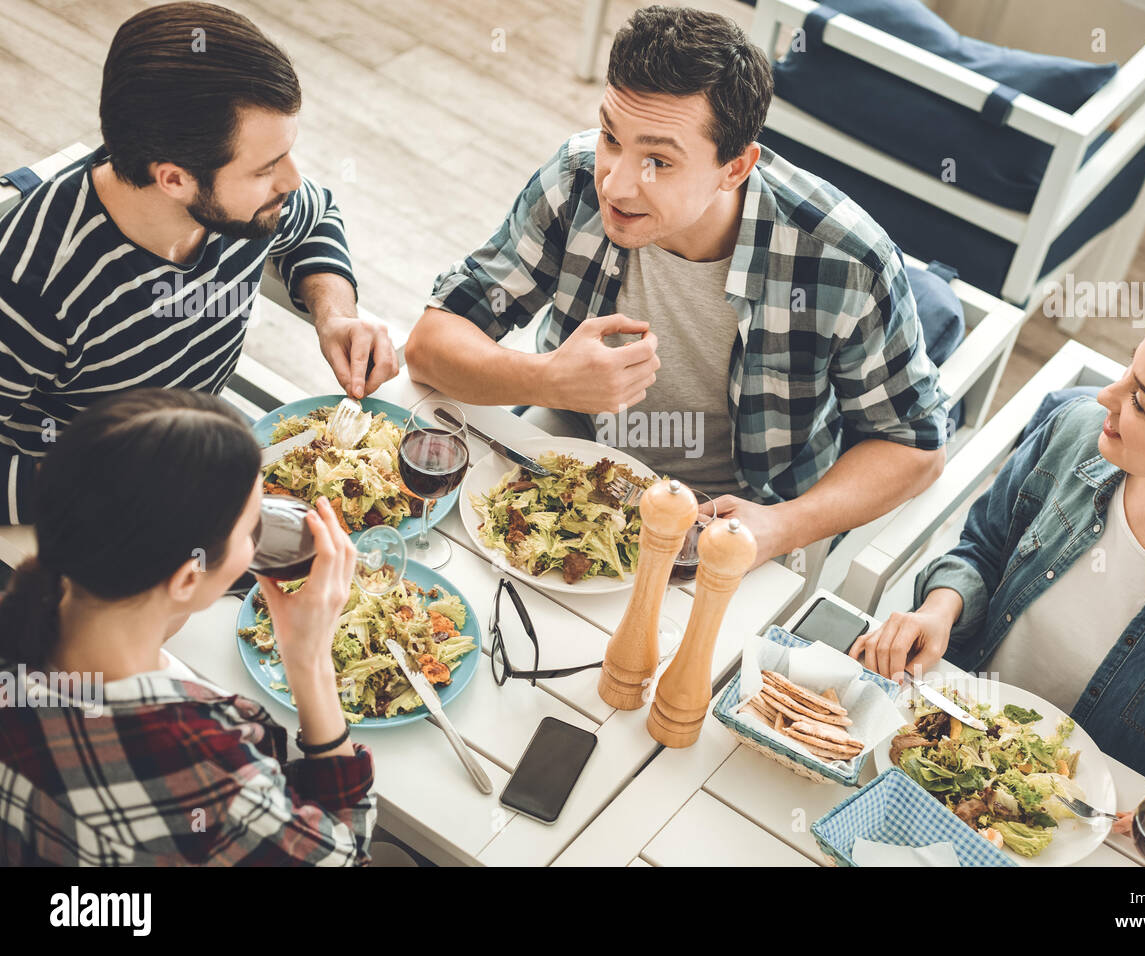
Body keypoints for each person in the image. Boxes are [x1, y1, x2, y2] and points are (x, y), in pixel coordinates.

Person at [404, 6, 947, 569]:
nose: (614, 183)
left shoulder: (846, 258)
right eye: (613, 137)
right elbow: (430, 343)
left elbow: (916, 445)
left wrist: (783, 525)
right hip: (573, 450)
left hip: (743, 513)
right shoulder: (573, 179)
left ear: (735, 168)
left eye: (658, 161)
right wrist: (548, 380)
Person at [851, 293, 1145, 826]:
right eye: (1129, 369)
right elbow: (984, 548)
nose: (1106, 396)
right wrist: (939, 609)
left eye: (1140, 400)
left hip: (1078, 831)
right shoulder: (1074, 434)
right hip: (938, 752)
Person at [0, 2, 398, 525]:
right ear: (174, 179)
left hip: (200, 452)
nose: (292, 181)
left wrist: (335, 314)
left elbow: (319, 218)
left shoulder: (246, 202)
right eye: (266, 168)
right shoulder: (31, 284)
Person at [0, 388, 374, 865]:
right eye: (251, 527)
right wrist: (311, 662)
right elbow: (345, 856)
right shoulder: (206, 768)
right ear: (185, 578)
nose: (263, 534)